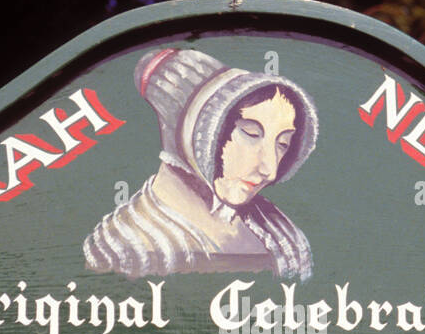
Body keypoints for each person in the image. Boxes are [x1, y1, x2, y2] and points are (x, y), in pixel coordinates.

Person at [83, 48, 316, 280]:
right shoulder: (121, 248)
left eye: (282, 144)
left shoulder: (282, 235)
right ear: (199, 135)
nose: (270, 170)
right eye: (251, 134)